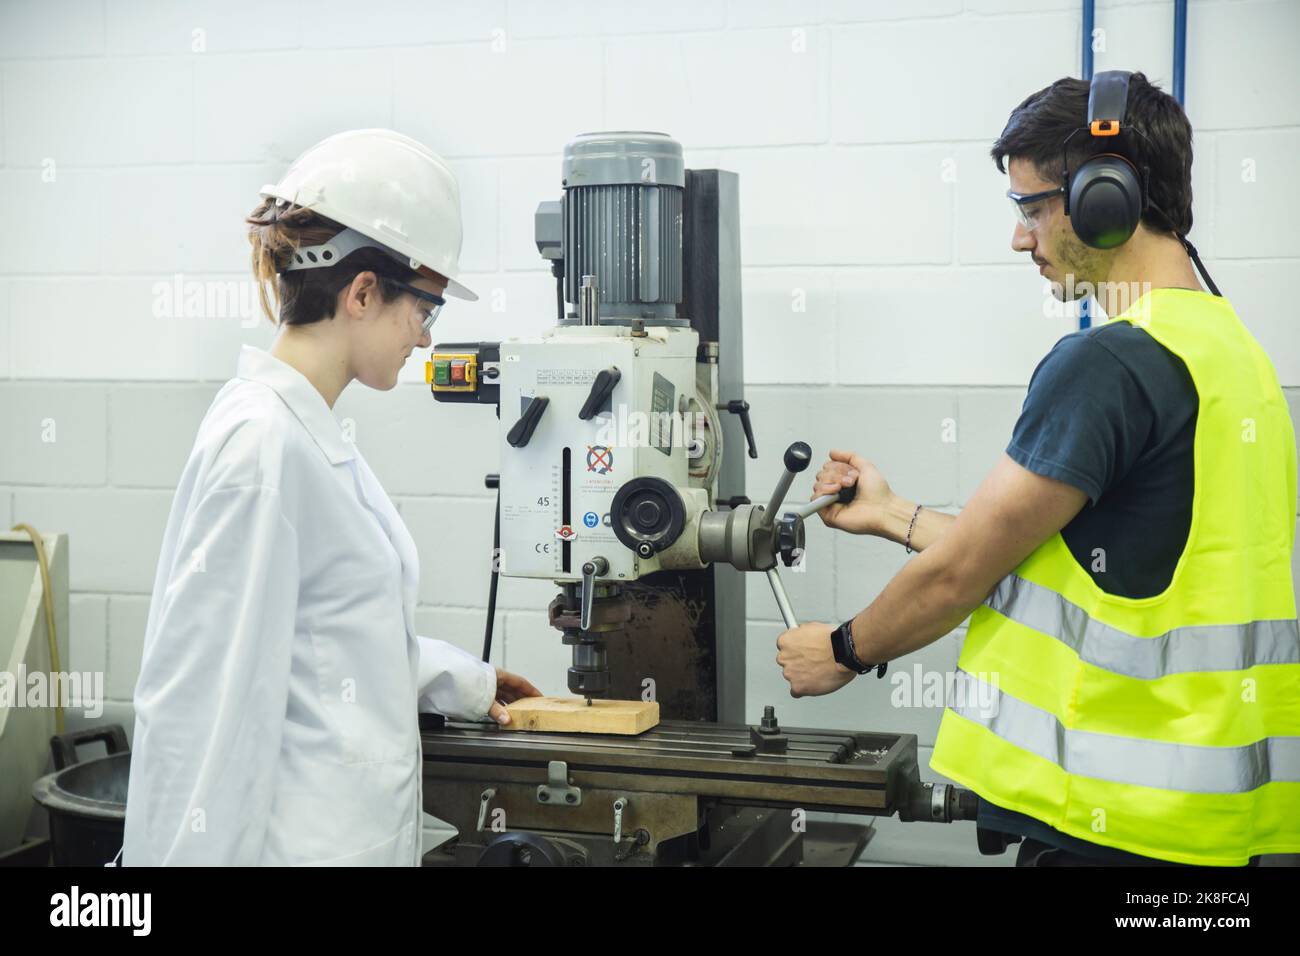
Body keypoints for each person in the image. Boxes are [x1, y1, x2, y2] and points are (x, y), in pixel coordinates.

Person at [775, 72, 1298, 866]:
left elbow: (960, 579)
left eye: (1032, 208)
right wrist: (892, 514)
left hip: (1102, 820)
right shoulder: (1234, 355)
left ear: (1105, 199)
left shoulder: (1111, 363)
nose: (1022, 238)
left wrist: (843, 650)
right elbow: (1081, 568)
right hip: (1200, 828)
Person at [123, 129, 541, 866]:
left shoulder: (308, 436)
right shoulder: (261, 448)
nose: (424, 339)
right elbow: (207, 708)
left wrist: (461, 681)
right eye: (426, 311)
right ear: (362, 293)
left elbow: (320, 645)